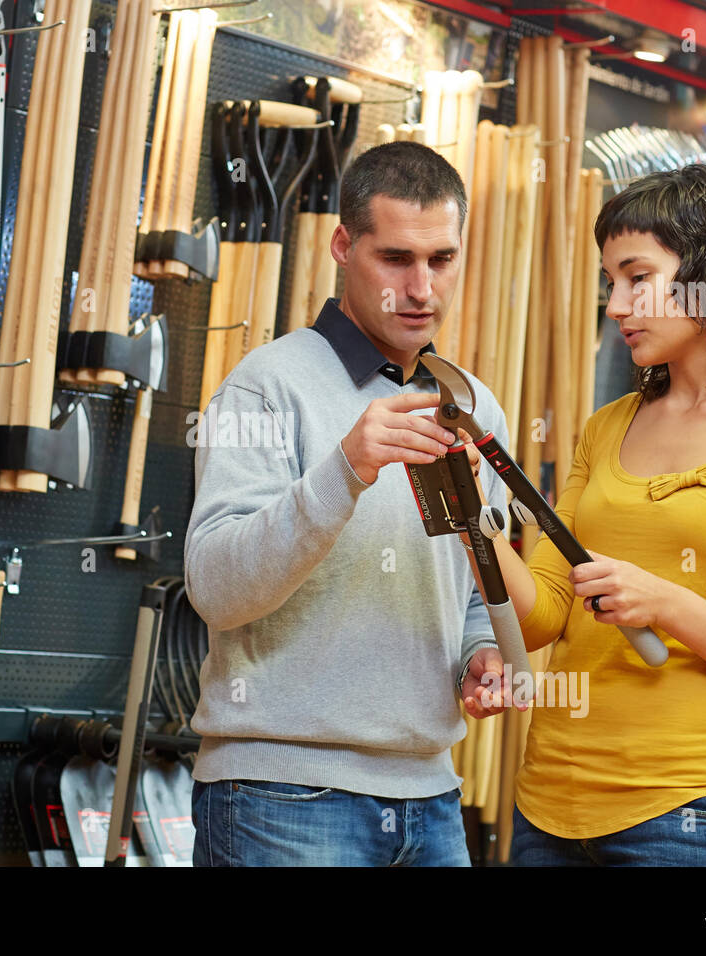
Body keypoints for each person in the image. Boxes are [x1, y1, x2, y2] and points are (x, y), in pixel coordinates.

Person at [476, 163, 706, 866]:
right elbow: (541, 618)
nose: (616, 305)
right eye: (609, 282)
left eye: (636, 277)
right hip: (546, 809)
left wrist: (667, 604)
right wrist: (475, 515)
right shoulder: (607, 427)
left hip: (693, 816)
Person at [183, 141, 519, 867]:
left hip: (431, 801)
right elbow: (215, 588)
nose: (422, 287)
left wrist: (479, 651)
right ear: (343, 245)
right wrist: (343, 470)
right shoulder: (265, 385)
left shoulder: (470, 404)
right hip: (281, 798)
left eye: (442, 259)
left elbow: (473, 583)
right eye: (396, 258)